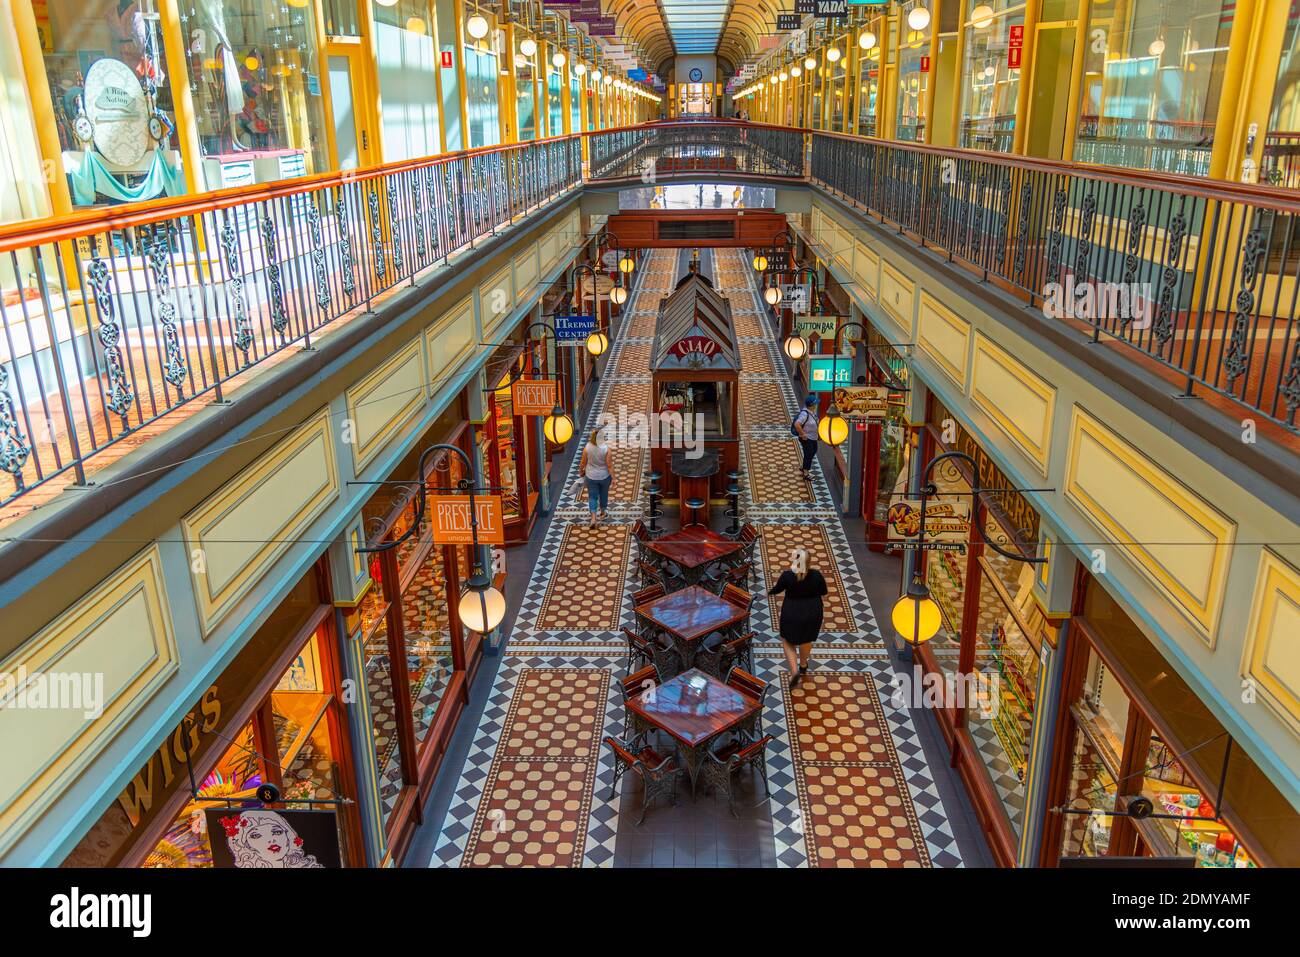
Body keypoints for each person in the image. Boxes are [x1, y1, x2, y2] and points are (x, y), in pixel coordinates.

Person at [768, 548, 827, 688]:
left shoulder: (788, 575)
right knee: (807, 639)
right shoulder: (817, 575)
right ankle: (803, 664)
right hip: (813, 612)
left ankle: (794, 671)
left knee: (788, 641)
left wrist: (769, 592)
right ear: (809, 561)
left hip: (792, 611)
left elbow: (777, 589)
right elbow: (824, 592)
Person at [578, 428, 614, 524]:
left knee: (592, 496)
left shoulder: (587, 447)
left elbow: (583, 462)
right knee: (604, 494)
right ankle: (602, 512)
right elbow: (609, 465)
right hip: (604, 476)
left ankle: (593, 518)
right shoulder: (606, 449)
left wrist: (581, 471)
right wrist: (614, 478)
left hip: (591, 476)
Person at [793, 394, 819, 480]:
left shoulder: (812, 412)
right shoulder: (804, 414)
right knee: (809, 453)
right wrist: (803, 434)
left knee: (813, 451)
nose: (816, 405)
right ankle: (806, 472)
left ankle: (803, 466)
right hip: (807, 438)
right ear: (812, 405)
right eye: (815, 404)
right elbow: (797, 424)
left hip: (813, 437)